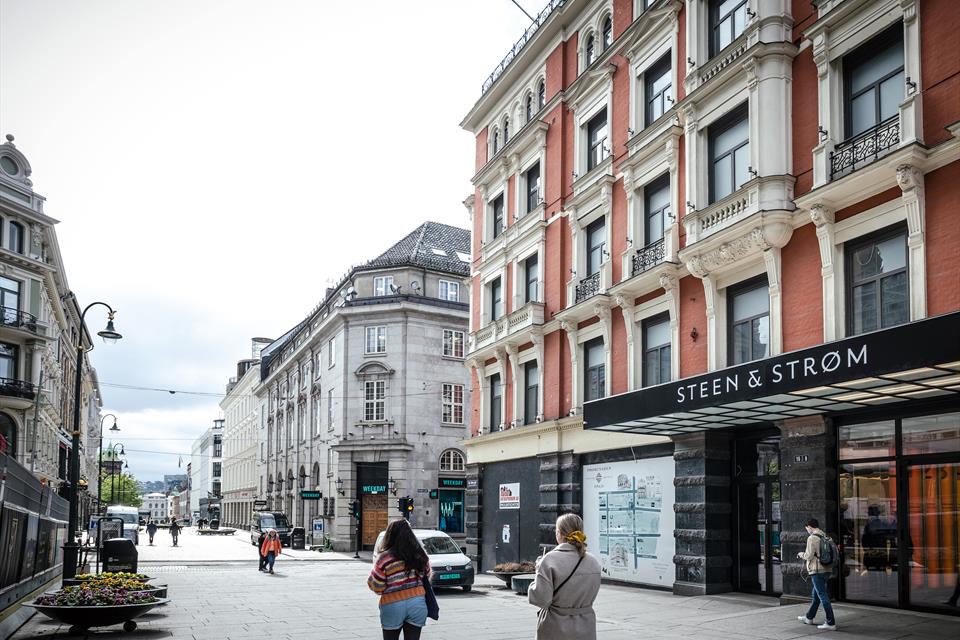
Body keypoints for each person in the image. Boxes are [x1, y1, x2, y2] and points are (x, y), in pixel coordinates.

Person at [528, 513, 602, 640]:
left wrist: (537, 574)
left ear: (559, 533)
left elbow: (541, 599)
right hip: (586, 626)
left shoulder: (549, 560)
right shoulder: (593, 562)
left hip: (556, 626)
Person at [367, 519, 431, 640]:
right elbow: (427, 575)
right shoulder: (419, 554)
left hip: (393, 603)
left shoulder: (385, 558)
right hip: (417, 603)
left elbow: (377, 586)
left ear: (390, 535)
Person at [797, 517, 837, 630]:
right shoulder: (825, 536)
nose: (807, 531)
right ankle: (809, 617)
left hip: (817, 570)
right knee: (816, 595)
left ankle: (831, 623)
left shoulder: (812, 538)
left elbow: (809, 556)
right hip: (827, 569)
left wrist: (801, 554)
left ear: (809, 527)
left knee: (822, 596)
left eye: (807, 528)